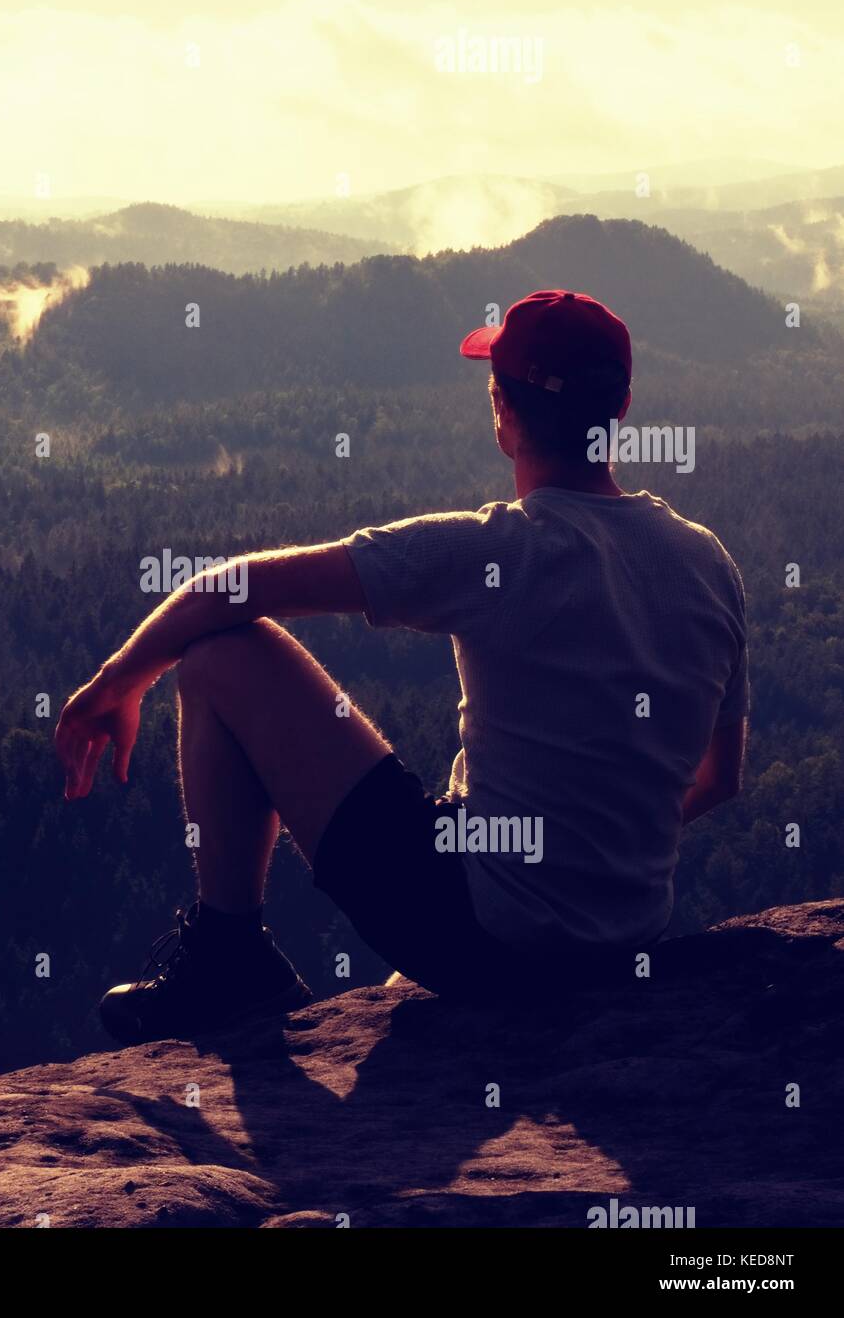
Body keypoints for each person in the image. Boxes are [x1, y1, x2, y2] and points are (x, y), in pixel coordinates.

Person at [55, 290, 749, 1045]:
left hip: (484, 933)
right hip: (629, 937)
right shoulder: (708, 563)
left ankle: (230, 960)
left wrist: (116, 681)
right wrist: (600, 848)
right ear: (620, 409)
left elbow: (231, 588)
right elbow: (721, 778)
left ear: (502, 414)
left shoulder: (497, 550)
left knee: (222, 655)